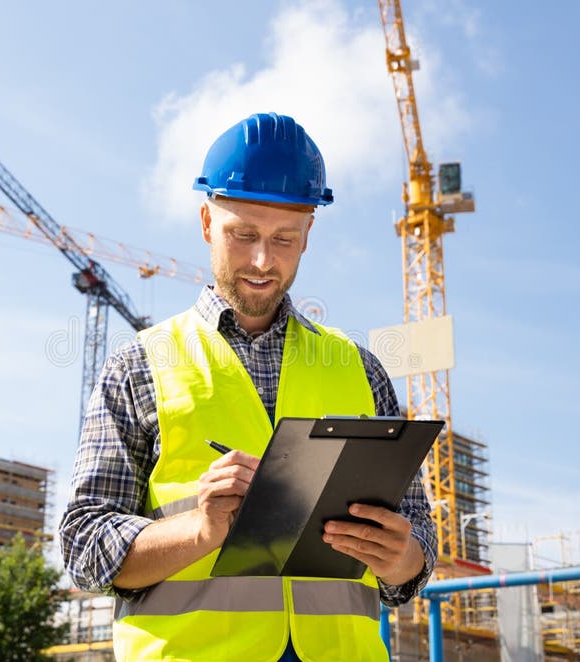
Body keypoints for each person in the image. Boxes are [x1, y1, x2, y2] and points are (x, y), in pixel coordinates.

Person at [60, 112, 436, 661]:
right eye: (243, 235)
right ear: (206, 223)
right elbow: (85, 548)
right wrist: (200, 528)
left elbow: (417, 540)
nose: (263, 260)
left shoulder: (361, 368)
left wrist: (400, 557)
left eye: (284, 239)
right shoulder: (139, 365)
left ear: (308, 234)